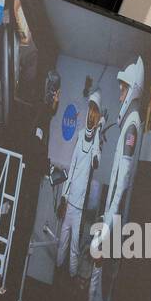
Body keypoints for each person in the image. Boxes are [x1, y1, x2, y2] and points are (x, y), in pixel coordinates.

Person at [90, 57, 143, 301]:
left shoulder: (132, 125)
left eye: (123, 88)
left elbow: (122, 183)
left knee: (107, 277)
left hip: (117, 219)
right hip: (115, 217)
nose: (120, 93)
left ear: (133, 89)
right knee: (105, 274)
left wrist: (106, 227)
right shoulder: (129, 124)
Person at [56, 89, 103, 286]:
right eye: (89, 111)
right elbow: (73, 165)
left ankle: (71, 280)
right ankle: (57, 278)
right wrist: (64, 197)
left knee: (75, 247)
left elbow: (95, 162)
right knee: (63, 242)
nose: (90, 116)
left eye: (95, 112)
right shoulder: (80, 134)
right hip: (70, 202)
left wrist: (99, 131)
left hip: (80, 208)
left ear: (97, 116)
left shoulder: (95, 142)